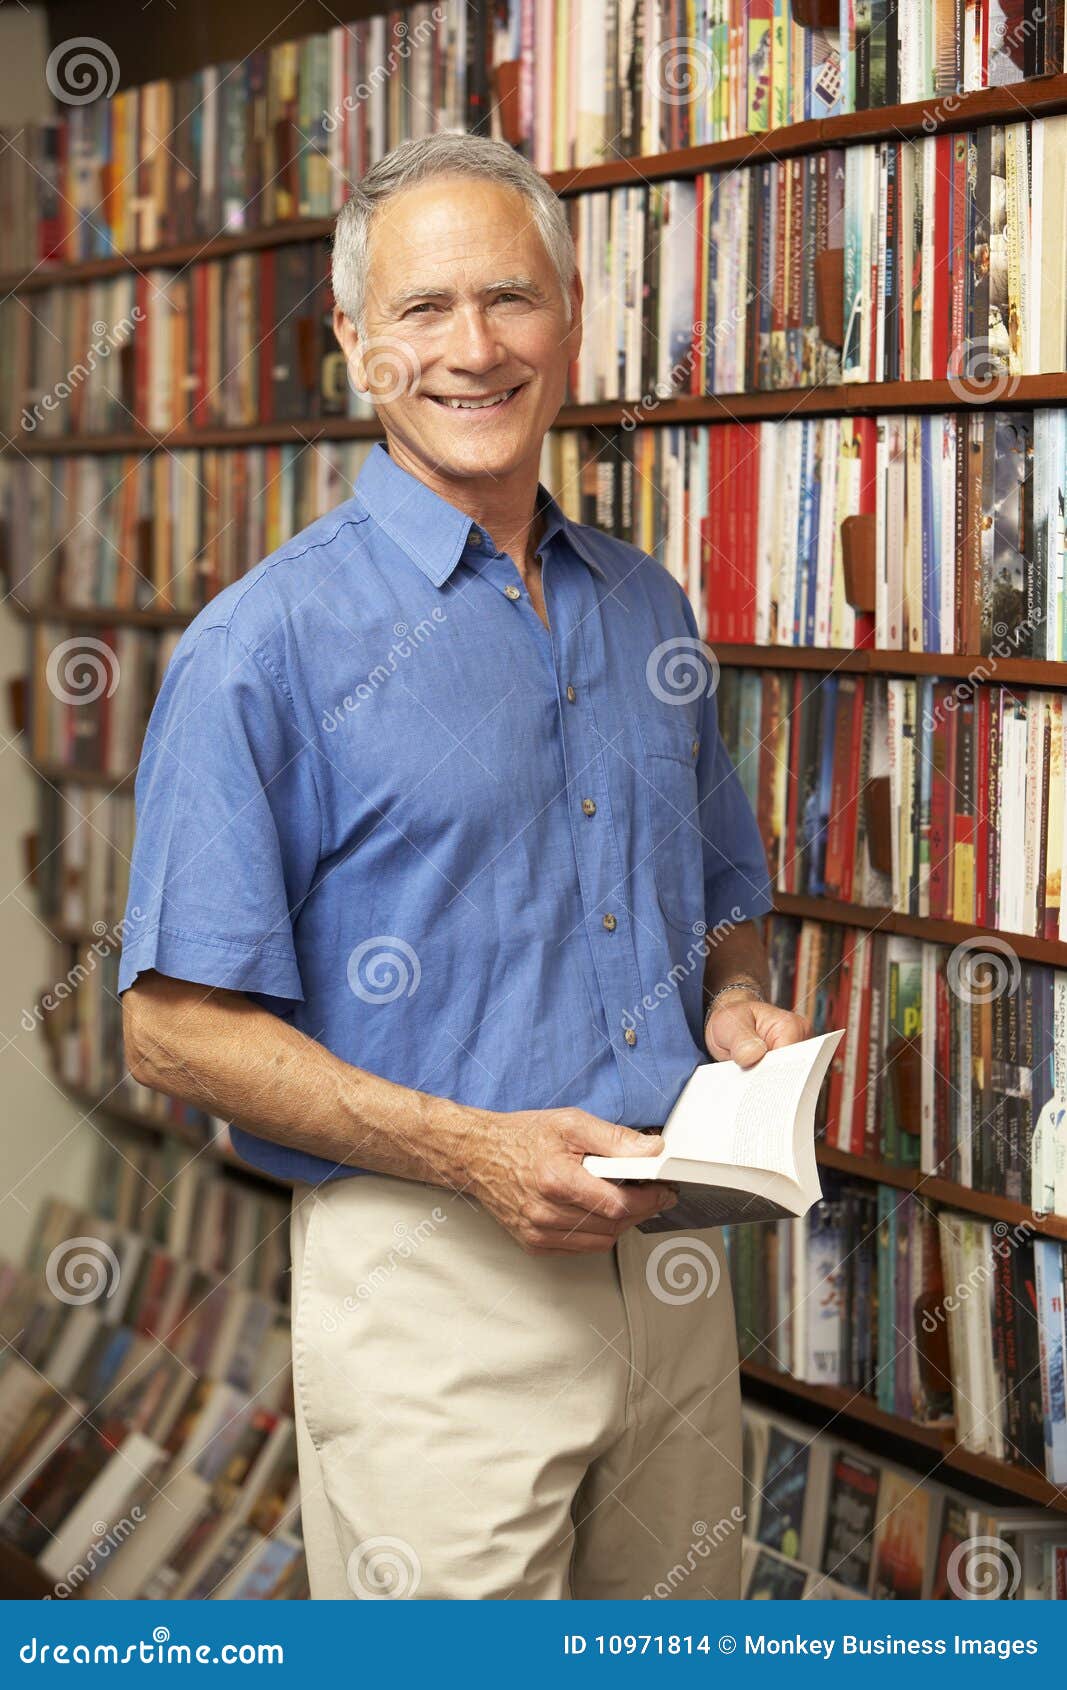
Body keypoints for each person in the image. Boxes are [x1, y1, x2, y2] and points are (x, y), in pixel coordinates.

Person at [119, 131, 811, 1601]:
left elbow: (727, 905)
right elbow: (167, 1026)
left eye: (511, 299)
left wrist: (739, 1001)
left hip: (677, 1270)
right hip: (427, 1278)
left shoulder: (645, 605)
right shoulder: (263, 646)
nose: (475, 347)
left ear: (571, 319)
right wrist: (474, 1150)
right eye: (424, 310)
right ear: (357, 346)